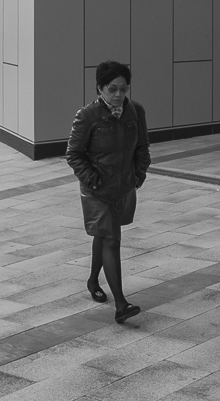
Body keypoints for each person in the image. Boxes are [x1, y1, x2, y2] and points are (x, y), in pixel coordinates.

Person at [66, 60, 150, 324]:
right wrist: (93, 181)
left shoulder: (135, 111)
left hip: (124, 187)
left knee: (105, 235)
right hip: (98, 191)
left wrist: (138, 175)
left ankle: (92, 280)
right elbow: (74, 154)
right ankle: (121, 305)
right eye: (112, 89)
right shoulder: (87, 116)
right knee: (112, 240)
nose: (118, 95)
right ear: (100, 88)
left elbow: (142, 148)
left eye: (123, 89)